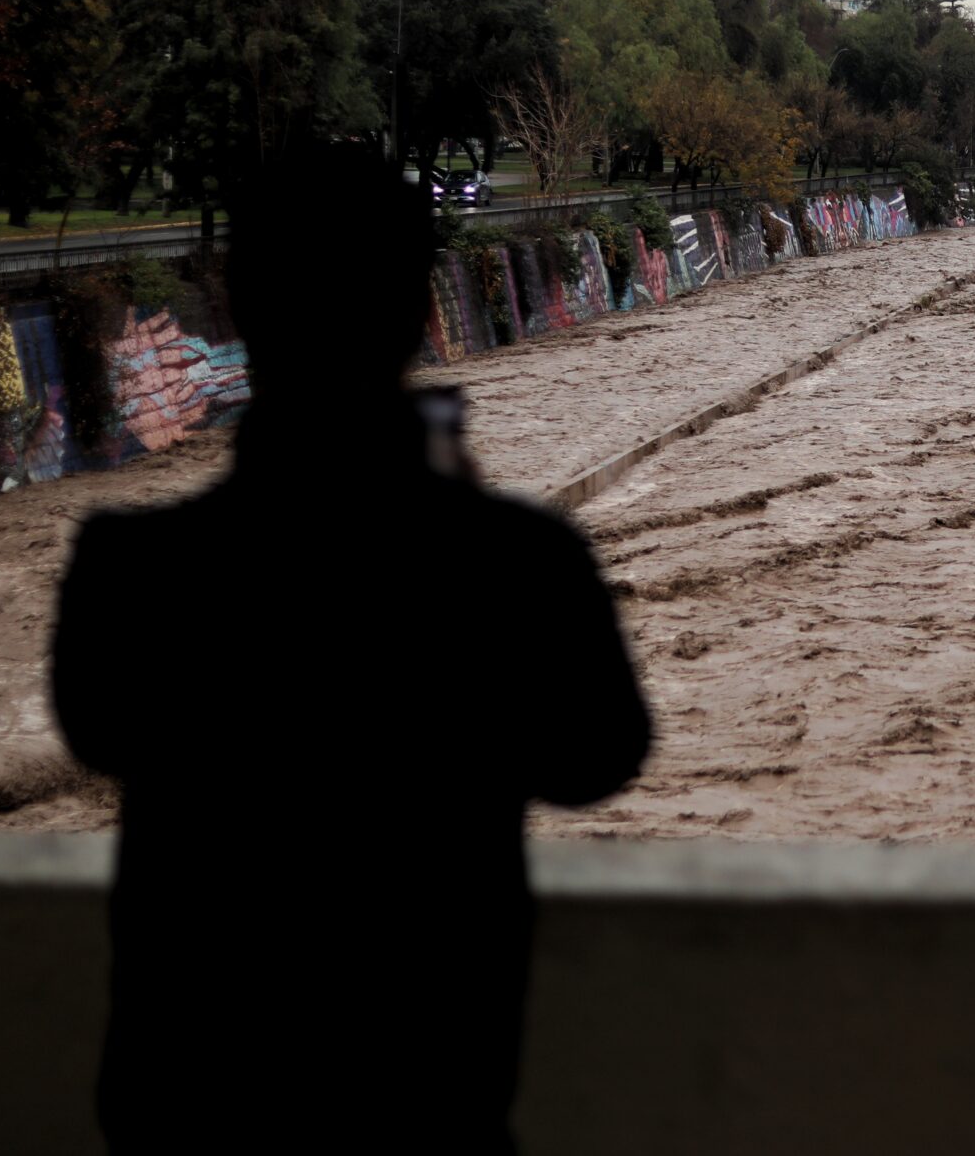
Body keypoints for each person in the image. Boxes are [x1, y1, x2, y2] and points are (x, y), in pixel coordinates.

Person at [51, 144, 650, 1153]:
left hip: (188, 1110)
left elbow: (99, 729)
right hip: (426, 1109)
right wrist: (457, 516)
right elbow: (597, 759)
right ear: (423, 310)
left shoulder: (130, 573)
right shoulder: (517, 564)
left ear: (238, 311)